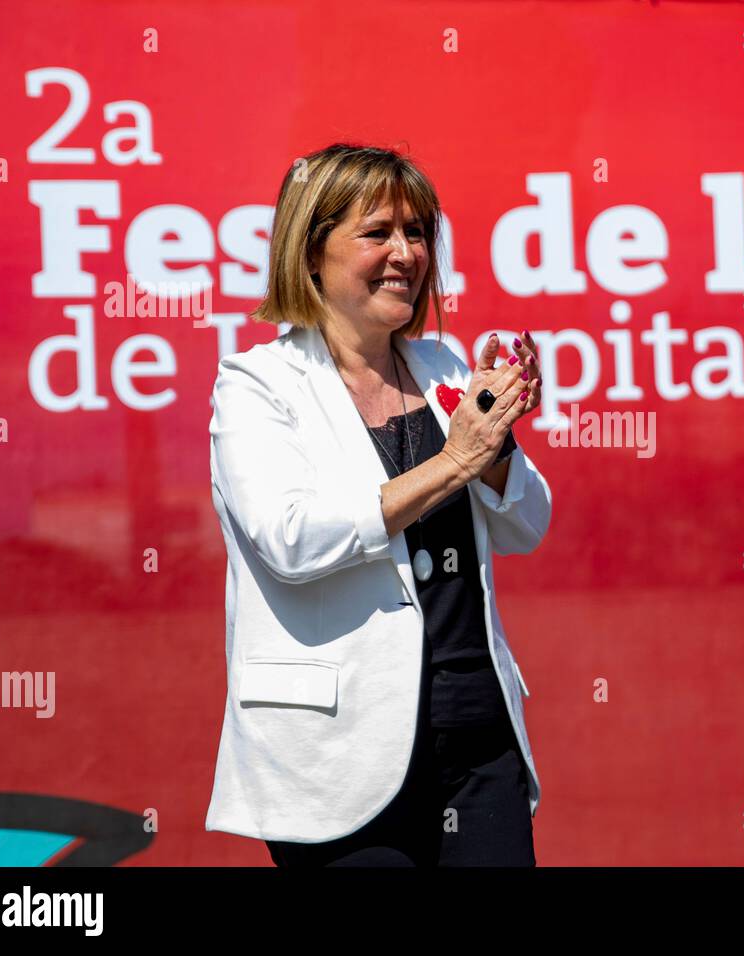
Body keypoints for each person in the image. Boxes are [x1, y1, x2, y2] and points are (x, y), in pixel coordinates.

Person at [203, 143, 551, 866]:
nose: (406, 253)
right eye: (378, 232)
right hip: (336, 758)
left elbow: (526, 524)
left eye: (417, 232)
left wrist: (497, 441)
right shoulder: (257, 383)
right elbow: (292, 541)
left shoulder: (445, 365)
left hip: (477, 743)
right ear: (311, 252)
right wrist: (453, 461)